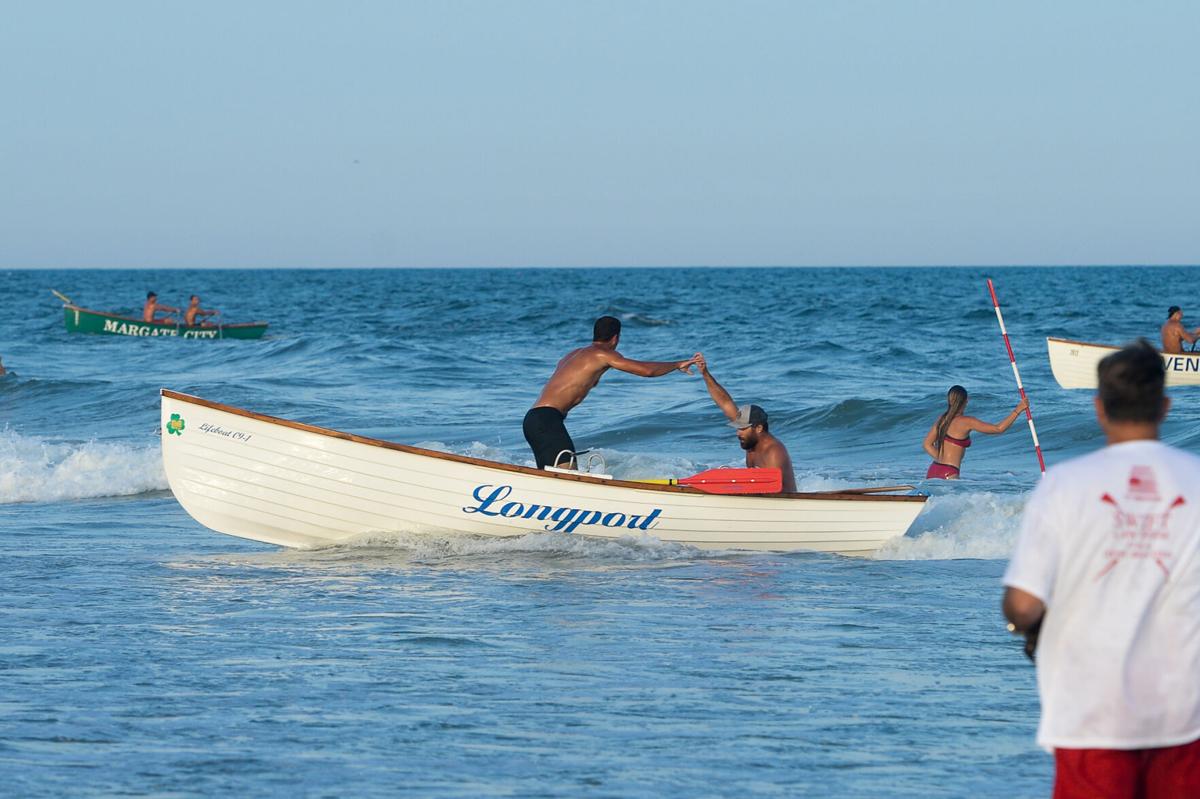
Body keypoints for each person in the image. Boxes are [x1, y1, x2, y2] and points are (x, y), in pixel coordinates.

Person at [1002, 340, 1200, 798]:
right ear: (1165, 406)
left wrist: (1026, 625)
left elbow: (1023, 605)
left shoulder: (1065, 486)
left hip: (1091, 715)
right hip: (1186, 714)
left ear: (1099, 408)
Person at [523, 316, 700, 469]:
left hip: (533, 419)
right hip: (547, 421)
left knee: (549, 475)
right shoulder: (603, 354)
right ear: (615, 338)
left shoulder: (573, 354)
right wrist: (677, 364)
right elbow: (647, 371)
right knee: (566, 475)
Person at [696, 357, 797, 493]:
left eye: (742, 428)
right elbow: (725, 402)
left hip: (782, 502)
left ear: (759, 428)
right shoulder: (751, 439)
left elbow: (776, 492)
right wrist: (705, 374)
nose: (738, 433)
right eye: (738, 428)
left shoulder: (773, 452)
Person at [921, 385, 1028, 479]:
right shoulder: (967, 421)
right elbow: (998, 429)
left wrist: (941, 459)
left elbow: (927, 444)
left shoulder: (942, 419)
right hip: (949, 472)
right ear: (966, 401)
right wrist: (1018, 410)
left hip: (933, 469)